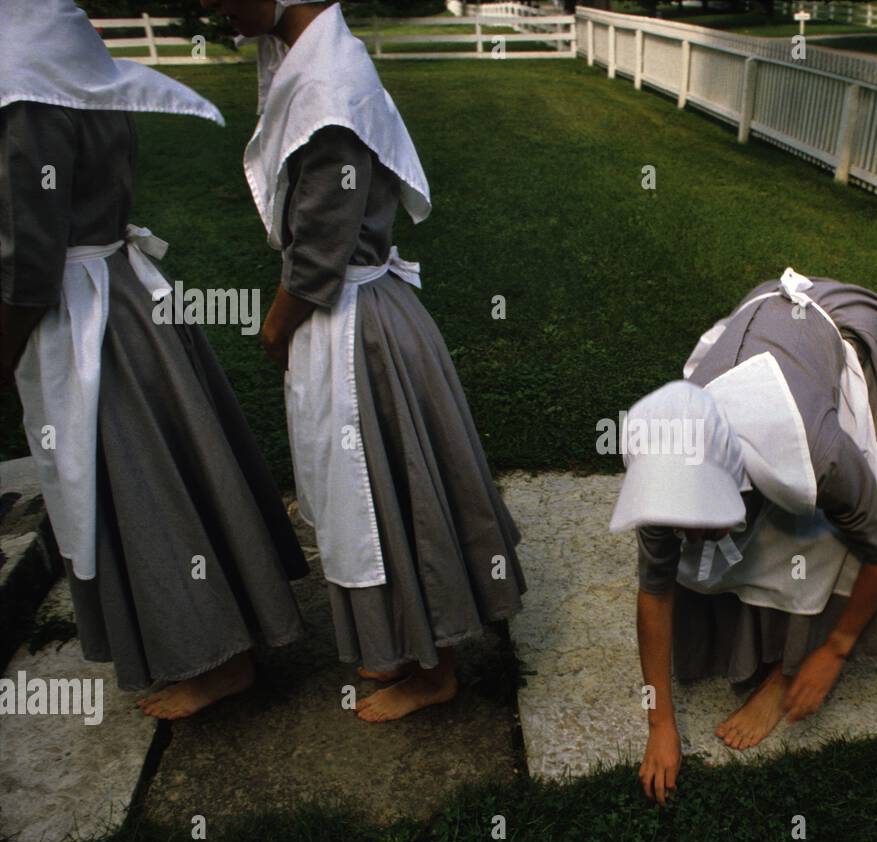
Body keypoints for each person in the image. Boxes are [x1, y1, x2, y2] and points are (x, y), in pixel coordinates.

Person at [200, 0, 527, 721]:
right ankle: (409, 644)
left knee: (383, 498)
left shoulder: (329, 92)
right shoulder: (314, 62)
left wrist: (277, 330)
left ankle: (434, 665)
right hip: (361, 317)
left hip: (355, 331)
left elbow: (320, 251)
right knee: (383, 492)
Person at [0, 0, 309, 718]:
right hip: (122, 288)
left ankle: (214, 656)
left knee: (136, 481)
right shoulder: (60, 37)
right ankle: (232, 625)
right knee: (180, 463)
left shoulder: (21, 74)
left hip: (88, 310)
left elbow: (27, 255)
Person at [612, 269, 877, 804]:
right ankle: (768, 650)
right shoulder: (664, 466)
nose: (687, 539)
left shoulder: (824, 454)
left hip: (847, 327)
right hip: (765, 319)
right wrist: (660, 725)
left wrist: (834, 651)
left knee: (819, 535)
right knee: (747, 544)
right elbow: (654, 593)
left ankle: (783, 672)